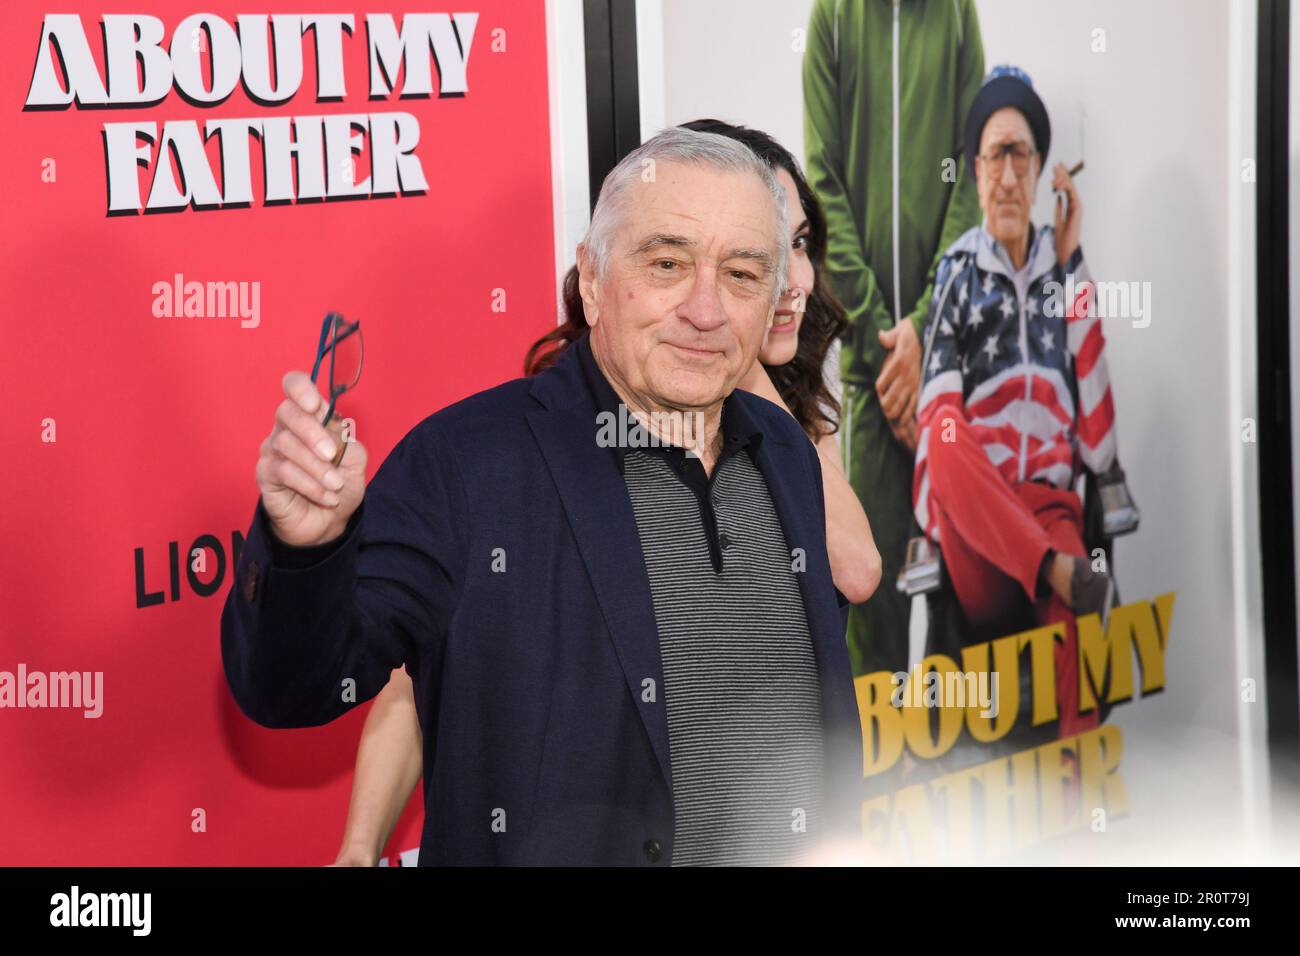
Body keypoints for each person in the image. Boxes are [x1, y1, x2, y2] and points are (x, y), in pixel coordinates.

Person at [222, 127, 864, 866]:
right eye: (667, 264)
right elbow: (292, 688)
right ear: (591, 280)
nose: (707, 309)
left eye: (743, 276)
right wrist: (307, 551)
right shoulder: (468, 462)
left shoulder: (784, 453)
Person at [912, 66, 1121, 738]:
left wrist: (1074, 258)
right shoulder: (956, 270)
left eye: (1020, 155)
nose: (1007, 175)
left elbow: (1099, 442)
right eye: (994, 155)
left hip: (1052, 509)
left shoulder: (1066, 280)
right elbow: (935, 419)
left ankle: (1077, 820)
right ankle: (1054, 570)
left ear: (1039, 174)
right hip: (980, 526)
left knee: (1077, 624)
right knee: (945, 429)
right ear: (975, 172)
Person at [803, 0, 986, 677]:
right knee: (868, 598)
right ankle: (873, 782)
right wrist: (887, 339)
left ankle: (950, 772)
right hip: (872, 372)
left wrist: (929, 327)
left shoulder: (958, 15)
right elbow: (821, 181)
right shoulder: (834, 18)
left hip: (949, 368)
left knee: (960, 596)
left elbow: (972, 175)